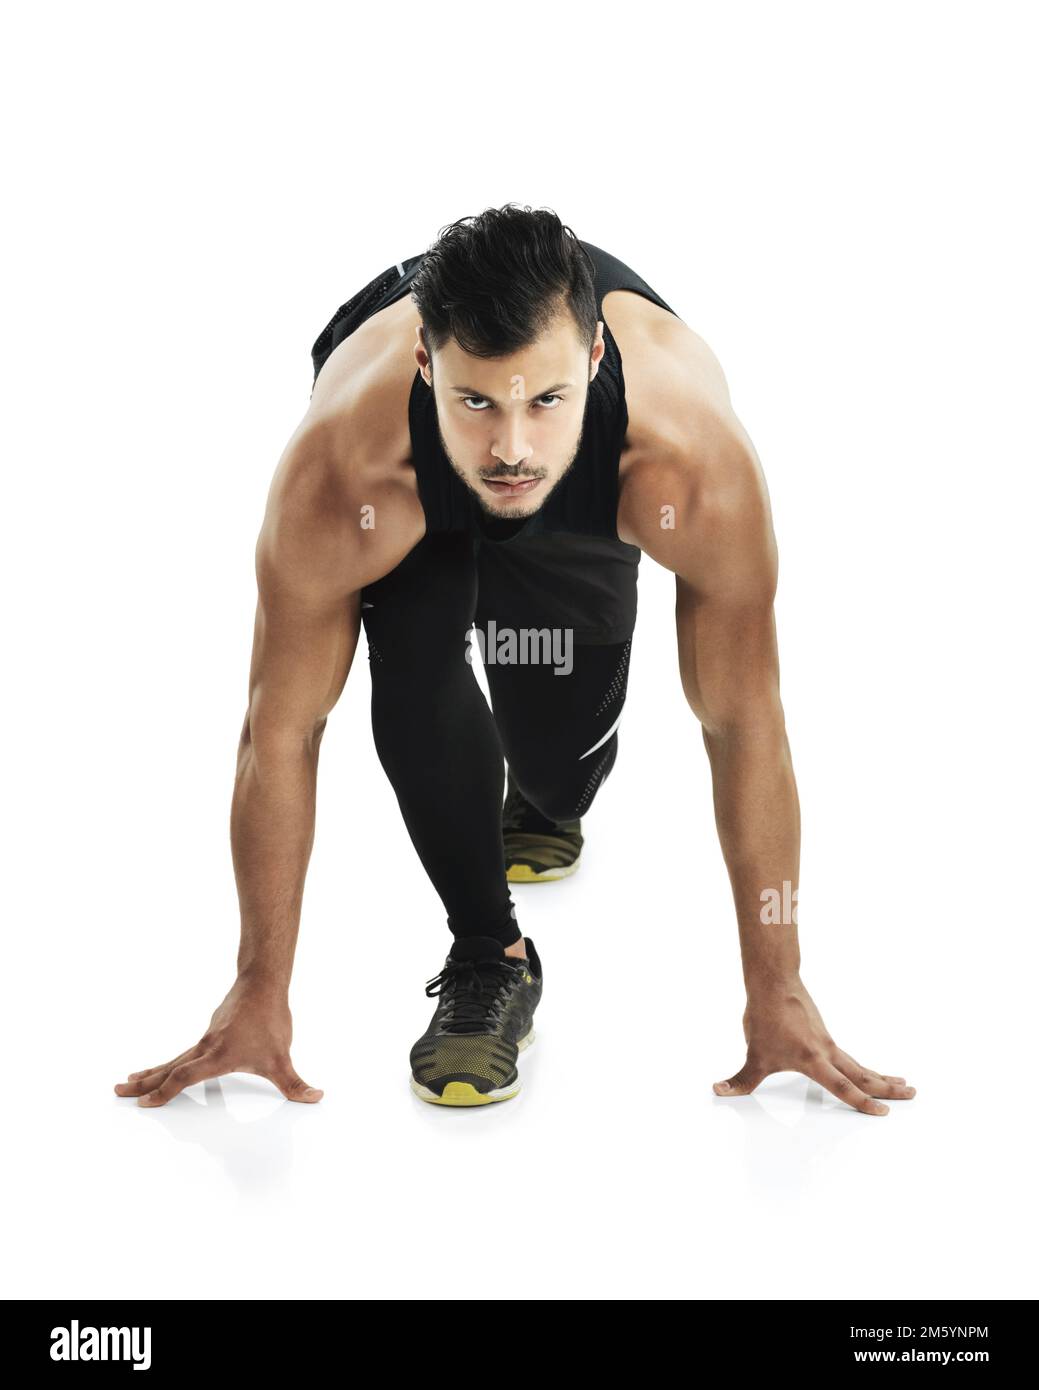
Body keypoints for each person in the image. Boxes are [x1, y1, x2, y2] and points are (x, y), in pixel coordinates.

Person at [115, 204, 916, 1112]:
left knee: (558, 773)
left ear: (594, 362)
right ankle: (490, 954)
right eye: (475, 402)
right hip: (410, 489)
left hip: (597, 477)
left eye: (544, 401)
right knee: (412, 657)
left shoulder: (686, 465)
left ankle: (550, 725)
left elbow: (743, 723)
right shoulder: (344, 472)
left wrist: (779, 987)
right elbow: (281, 729)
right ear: (426, 364)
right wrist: (257, 990)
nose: (509, 448)